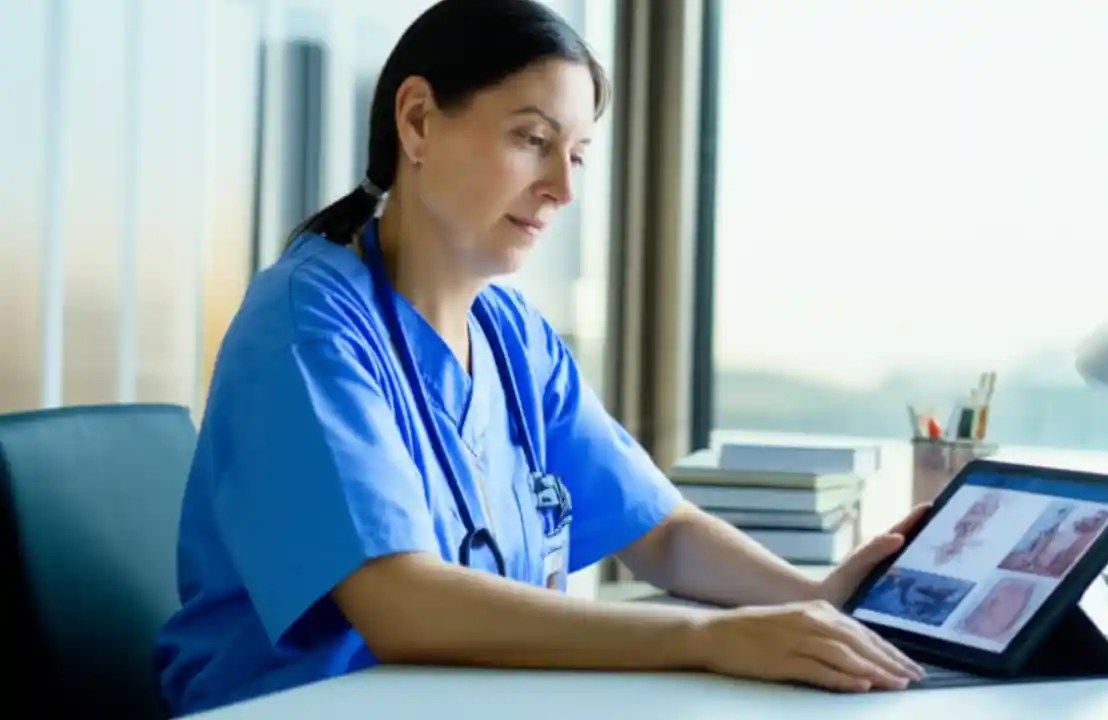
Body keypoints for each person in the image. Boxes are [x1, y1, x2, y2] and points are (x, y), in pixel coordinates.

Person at [152, 0, 927, 714]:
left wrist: (812, 597)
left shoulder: (511, 335)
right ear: (418, 121)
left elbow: (659, 531)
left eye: (579, 155)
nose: (562, 187)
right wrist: (707, 638)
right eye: (532, 140)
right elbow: (400, 603)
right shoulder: (304, 325)